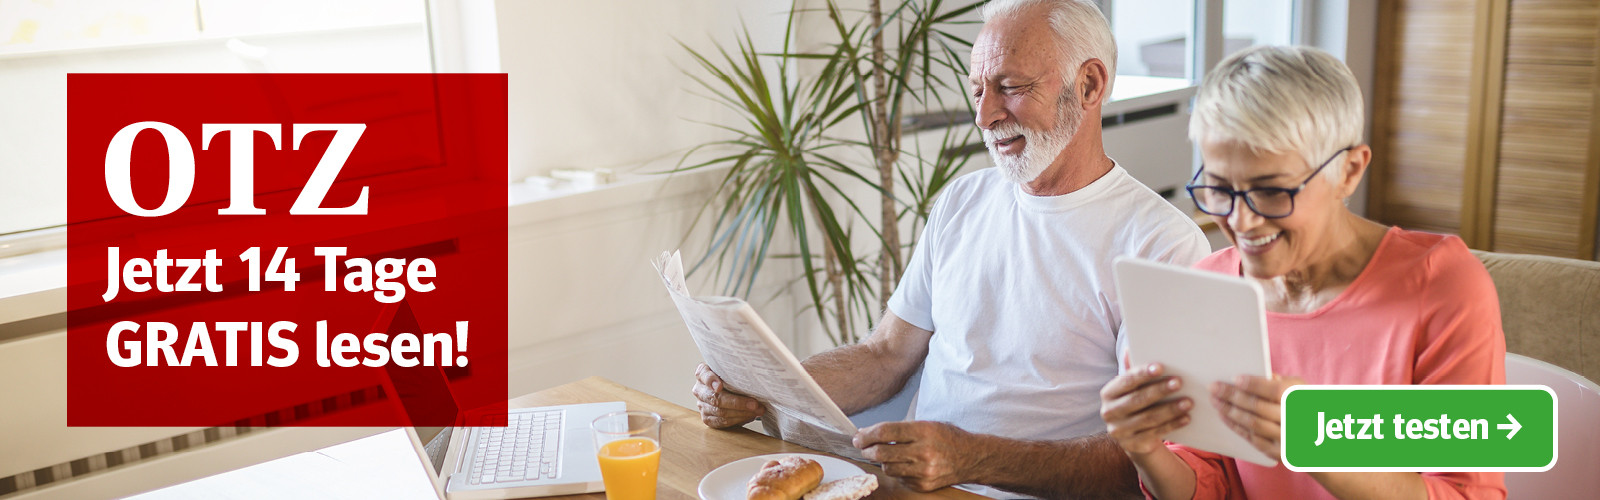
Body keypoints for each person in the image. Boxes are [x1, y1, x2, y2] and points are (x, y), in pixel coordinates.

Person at [694, 0, 1210, 497]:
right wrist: (762, 387)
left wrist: (973, 458)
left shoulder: (1161, 243)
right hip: (908, 487)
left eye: (1009, 87)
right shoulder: (963, 200)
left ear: (1090, 84)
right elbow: (886, 355)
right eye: (978, 89)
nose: (984, 116)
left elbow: (1139, 463)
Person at [1098, 45, 1507, 500]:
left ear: (1349, 172)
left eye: (1272, 191)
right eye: (1219, 188)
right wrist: (1145, 450)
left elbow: (1465, 493)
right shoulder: (1210, 286)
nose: (1241, 221)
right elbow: (1212, 485)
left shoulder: (1441, 287)